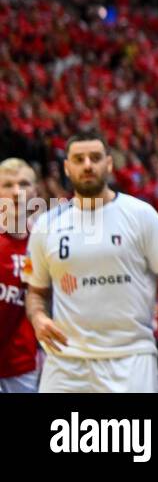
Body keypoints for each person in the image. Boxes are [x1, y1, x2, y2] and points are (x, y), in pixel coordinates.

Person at [23, 133, 158, 392]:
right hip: (66, 363)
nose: (87, 165)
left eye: (95, 158)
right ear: (67, 167)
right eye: (78, 159)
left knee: (126, 435)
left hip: (130, 360)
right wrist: (38, 318)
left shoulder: (141, 215)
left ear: (109, 164)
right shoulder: (46, 224)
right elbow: (35, 293)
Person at [0, 158, 39, 392]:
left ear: (34, 192)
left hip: (20, 368)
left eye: (24, 184)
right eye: (7, 185)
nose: (17, 192)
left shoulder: (45, 243)